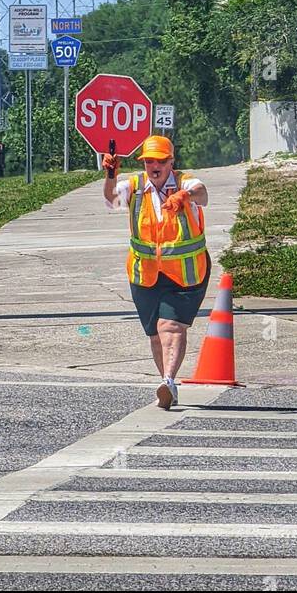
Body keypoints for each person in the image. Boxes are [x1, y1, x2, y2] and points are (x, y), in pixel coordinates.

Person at [103, 134, 210, 409]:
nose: (155, 165)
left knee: (171, 326)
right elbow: (112, 201)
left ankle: (169, 381)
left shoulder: (185, 181)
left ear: (171, 161)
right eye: (149, 161)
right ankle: (168, 383)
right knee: (154, 334)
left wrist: (184, 196)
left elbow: (203, 194)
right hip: (145, 273)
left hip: (184, 273)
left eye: (161, 160)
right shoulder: (136, 186)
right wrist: (111, 176)